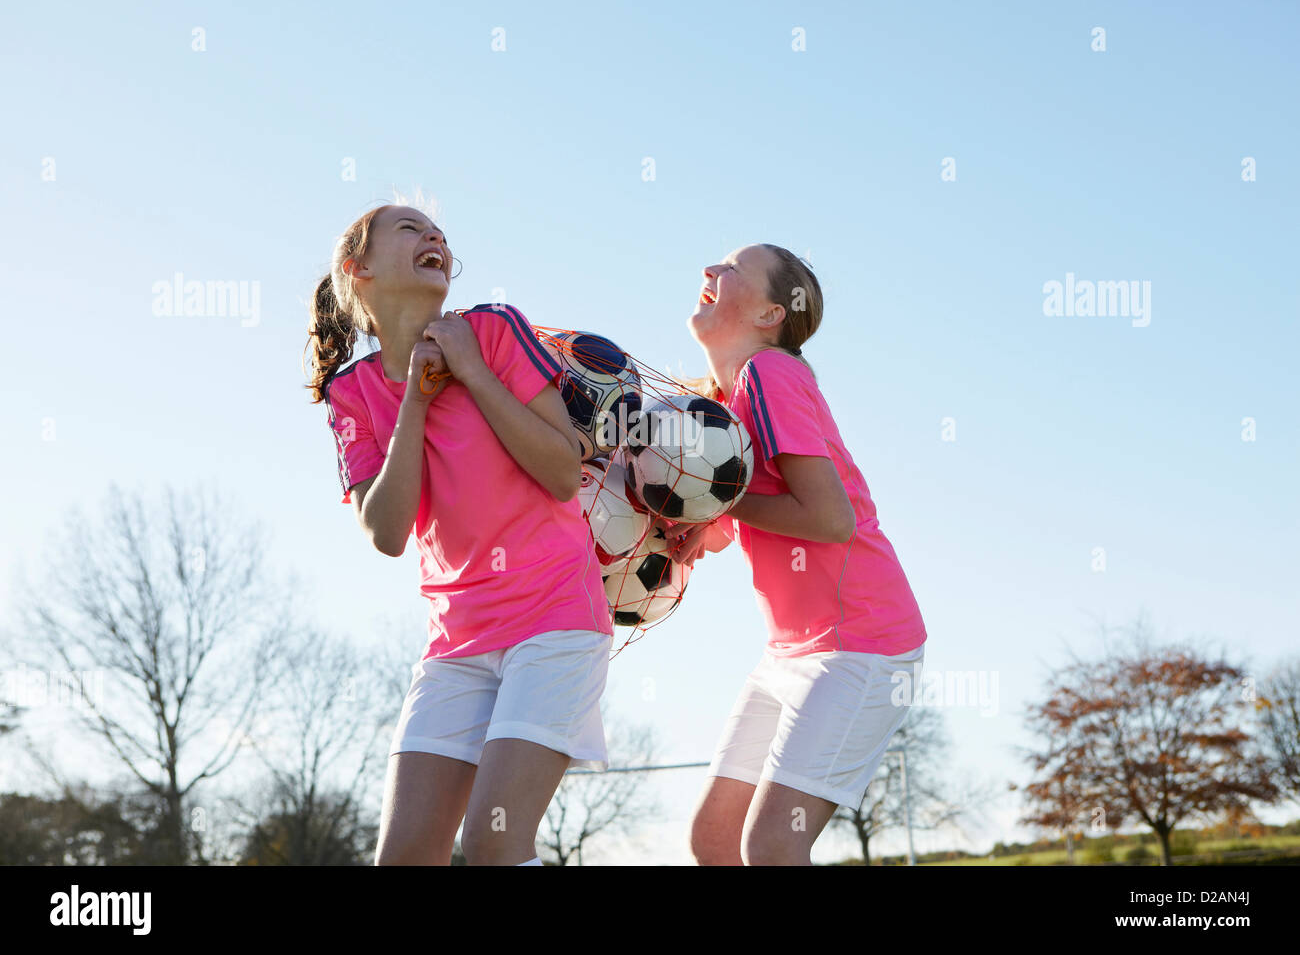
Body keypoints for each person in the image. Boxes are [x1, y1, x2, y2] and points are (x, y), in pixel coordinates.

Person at [303, 204, 613, 866]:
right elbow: (386, 532)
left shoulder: (495, 331)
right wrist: (416, 397)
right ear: (359, 272)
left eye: (438, 231)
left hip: (555, 619)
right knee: (405, 855)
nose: (434, 236)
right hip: (456, 643)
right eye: (410, 229)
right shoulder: (351, 394)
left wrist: (470, 371)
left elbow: (562, 471)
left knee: (495, 843)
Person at [669, 243, 927, 865]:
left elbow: (830, 520)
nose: (709, 270)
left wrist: (720, 505)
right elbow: (734, 526)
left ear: (770, 315)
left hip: (862, 643)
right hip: (792, 651)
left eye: (731, 269)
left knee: (773, 846)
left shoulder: (771, 373)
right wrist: (686, 528)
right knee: (714, 840)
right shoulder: (729, 402)